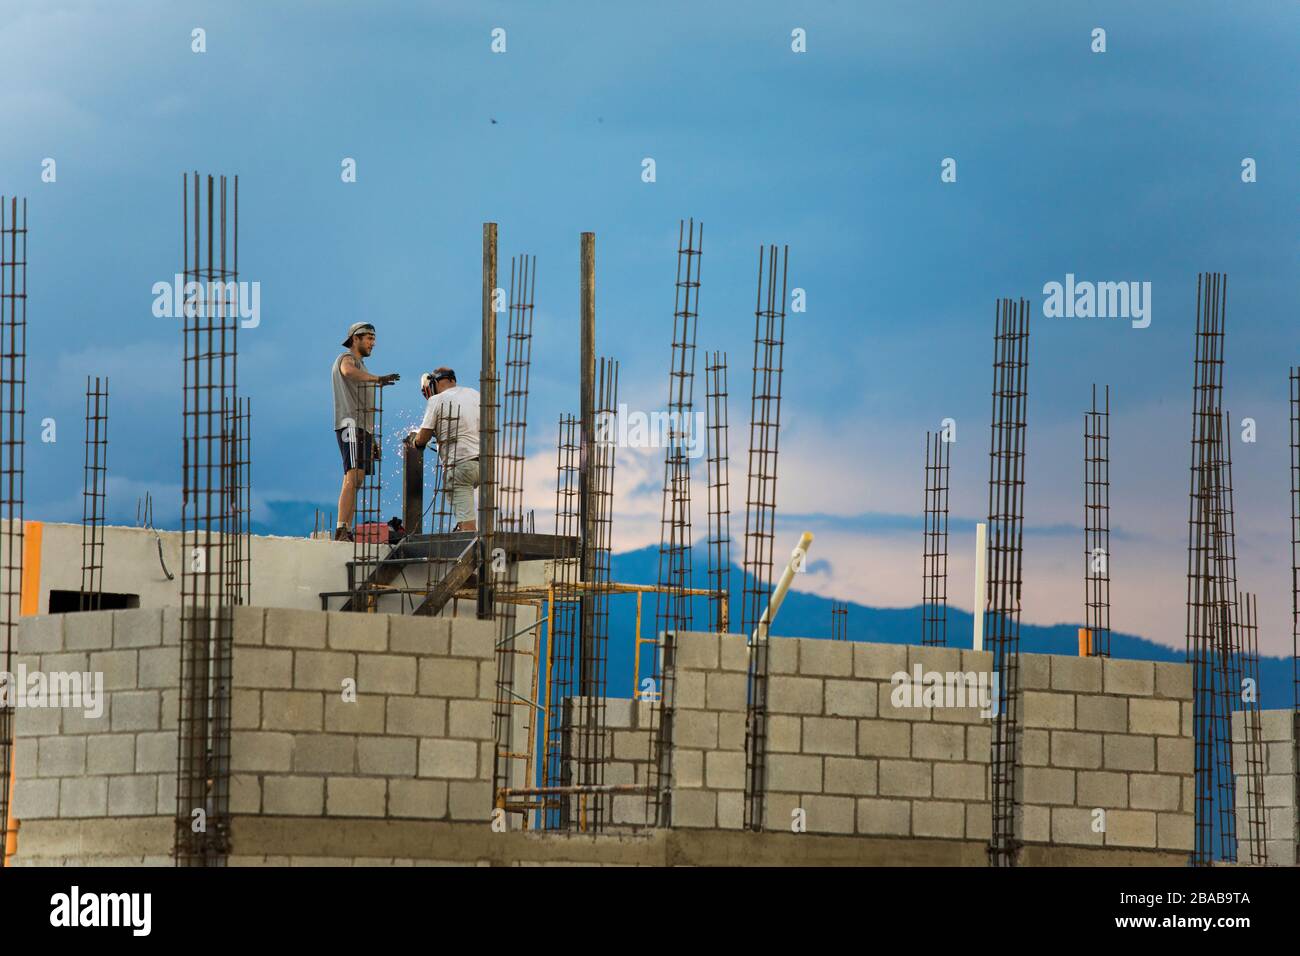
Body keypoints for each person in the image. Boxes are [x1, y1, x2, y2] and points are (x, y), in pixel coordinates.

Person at [332, 322, 399, 541]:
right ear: (355, 339)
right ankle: (342, 528)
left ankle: (346, 528)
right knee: (353, 475)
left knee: (357, 478)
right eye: (369, 338)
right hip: (350, 424)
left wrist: (372, 439)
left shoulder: (363, 367)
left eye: (373, 338)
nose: (373, 343)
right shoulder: (347, 359)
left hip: (362, 428)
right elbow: (347, 371)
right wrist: (377, 379)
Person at [404, 367, 481, 531]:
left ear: (433, 384)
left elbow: (422, 437)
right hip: (486, 465)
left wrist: (415, 442)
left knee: (467, 522)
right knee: (474, 511)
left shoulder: (436, 400)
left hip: (461, 466)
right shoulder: (475, 394)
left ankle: (468, 538)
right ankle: (466, 529)